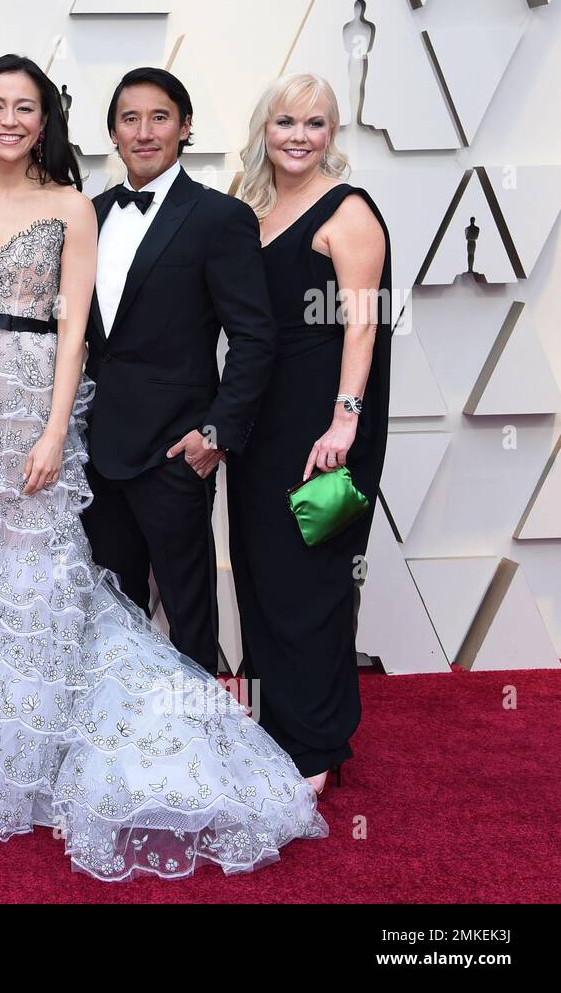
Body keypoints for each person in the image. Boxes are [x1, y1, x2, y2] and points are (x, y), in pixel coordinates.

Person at [0, 54, 326, 881]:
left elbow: (81, 330)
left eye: (25, 106)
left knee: (103, 597)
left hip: (85, 427)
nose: (9, 119)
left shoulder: (85, 209)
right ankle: (2, 747)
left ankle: (199, 748)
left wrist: (66, 432)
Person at [82, 67, 277, 676]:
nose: (144, 132)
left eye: (159, 117)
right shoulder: (90, 214)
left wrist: (216, 433)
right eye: (129, 119)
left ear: (185, 127)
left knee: (190, 616)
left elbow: (254, 336)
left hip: (176, 448)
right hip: (97, 446)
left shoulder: (220, 218)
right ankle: (116, 744)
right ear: (112, 133)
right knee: (111, 610)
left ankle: (196, 752)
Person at [229, 73, 391, 795]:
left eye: (315, 124)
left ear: (333, 133)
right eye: (286, 121)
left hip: (324, 425)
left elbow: (363, 322)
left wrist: (344, 421)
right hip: (261, 418)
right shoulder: (250, 201)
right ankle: (276, 730)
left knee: (314, 580)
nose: (299, 136)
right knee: (262, 573)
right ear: (266, 128)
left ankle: (317, 747)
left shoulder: (348, 211)